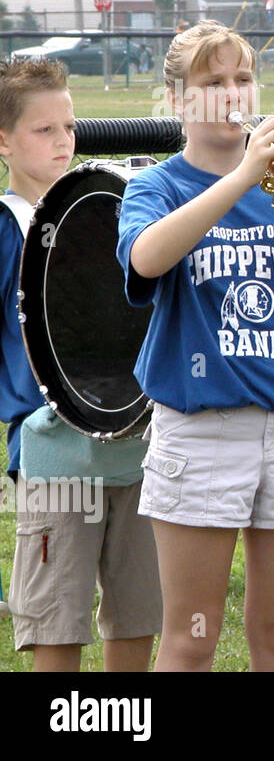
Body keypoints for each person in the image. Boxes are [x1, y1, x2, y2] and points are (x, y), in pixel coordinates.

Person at [116, 20, 274, 671]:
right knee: (191, 639)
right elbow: (146, 257)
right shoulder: (156, 188)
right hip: (202, 431)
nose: (233, 93)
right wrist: (243, 175)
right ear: (177, 100)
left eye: (243, 79)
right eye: (213, 82)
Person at [1, 57, 161, 670]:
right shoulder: (7, 226)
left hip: (141, 448)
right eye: (44, 131)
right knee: (55, 622)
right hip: (52, 457)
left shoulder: (122, 214)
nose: (63, 141)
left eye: (68, 127)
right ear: (4, 141)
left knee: (139, 614)